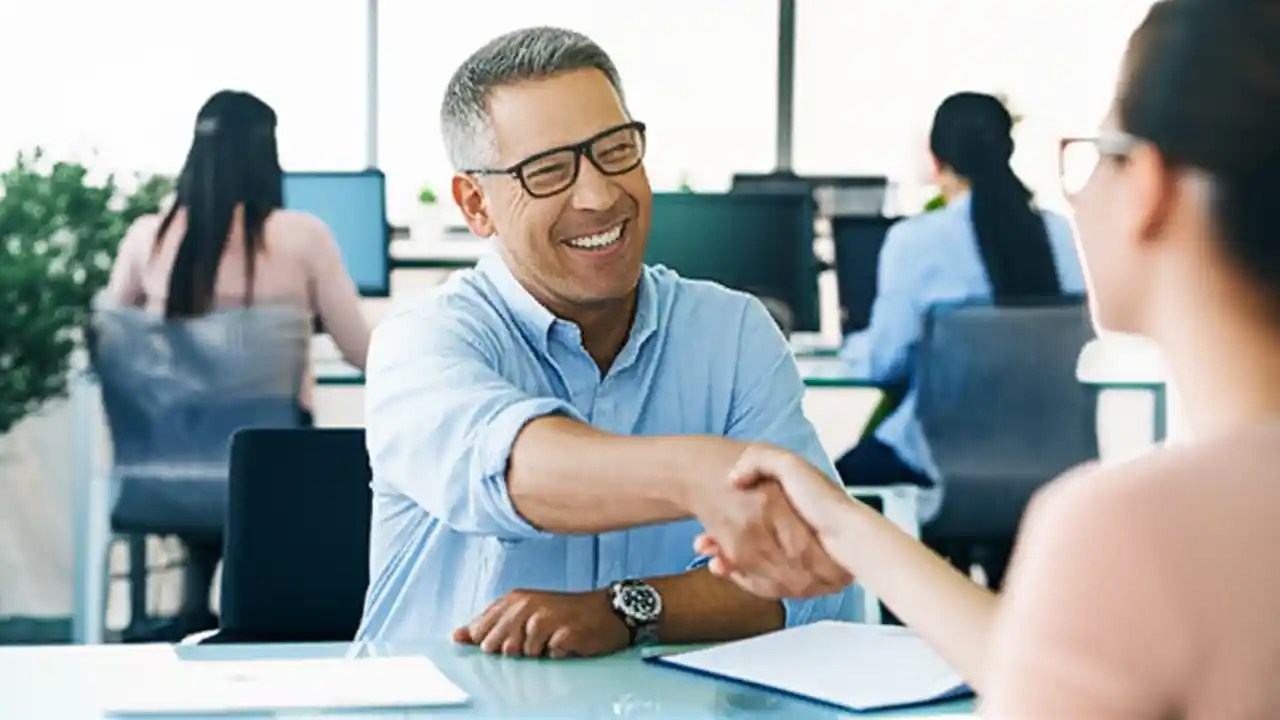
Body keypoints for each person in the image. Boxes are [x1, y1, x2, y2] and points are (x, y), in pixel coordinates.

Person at [699, 0, 1280, 716]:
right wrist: (847, 524)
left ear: (1148, 185)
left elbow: (884, 361)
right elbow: (1046, 661)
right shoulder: (1190, 535)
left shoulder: (1129, 534)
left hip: (938, 467)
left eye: (1096, 152)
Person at [356, 26, 852, 655]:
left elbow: (806, 576)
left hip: (661, 701)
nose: (599, 195)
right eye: (548, 171)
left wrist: (625, 608)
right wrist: (700, 473)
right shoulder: (422, 341)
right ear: (476, 204)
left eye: (616, 151)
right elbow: (507, 470)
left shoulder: (730, 334)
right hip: (447, 697)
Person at [105, 90, 370, 639]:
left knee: (214, 437)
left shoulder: (147, 236)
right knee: (266, 447)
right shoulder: (302, 236)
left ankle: (192, 609)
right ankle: (254, 613)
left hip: (167, 462)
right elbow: (361, 350)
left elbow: (114, 336)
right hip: (269, 466)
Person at [836, 92, 1084, 521]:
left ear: (936, 159)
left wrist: (850, 347)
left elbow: (884, 363)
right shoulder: (1059, 235)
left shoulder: (917, 241)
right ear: (1007, 150)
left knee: (823, 491)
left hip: (934, 466)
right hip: (1044, 466)